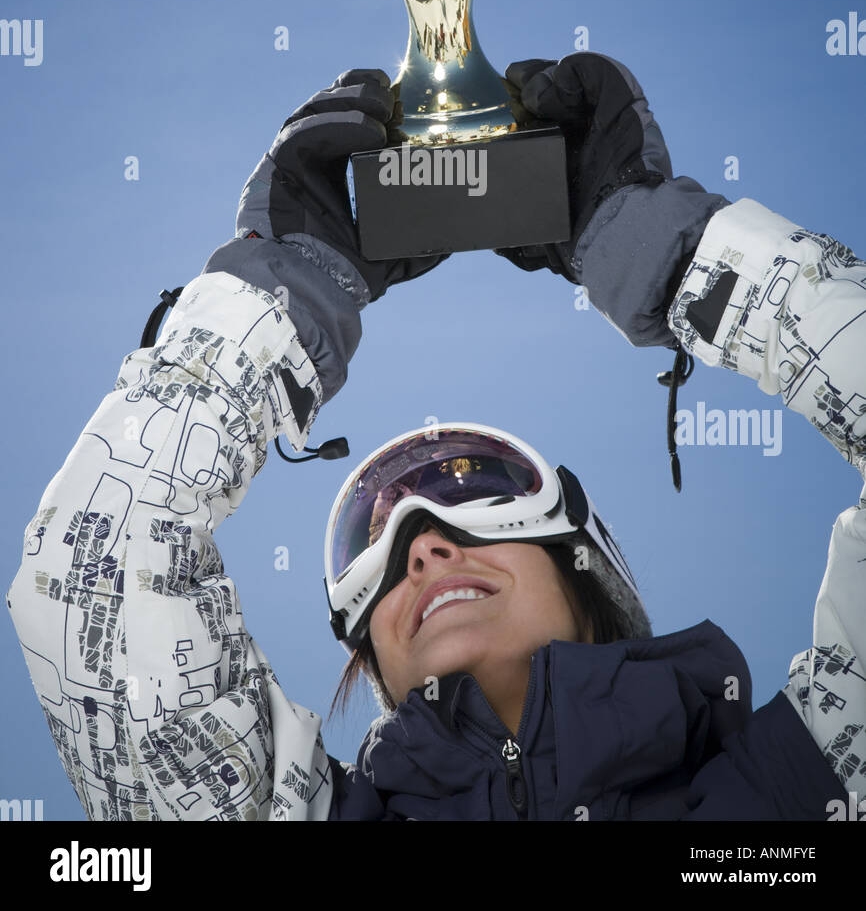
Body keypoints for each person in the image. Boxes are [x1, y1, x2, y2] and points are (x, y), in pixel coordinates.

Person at [8, 54, 865, 821]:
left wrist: (677, 260)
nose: (418, 546)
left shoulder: (803, 795)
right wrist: (279, 301)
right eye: (366, 538)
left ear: (585, 562)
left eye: (476, 488)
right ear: (366, 649)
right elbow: (93, 584)